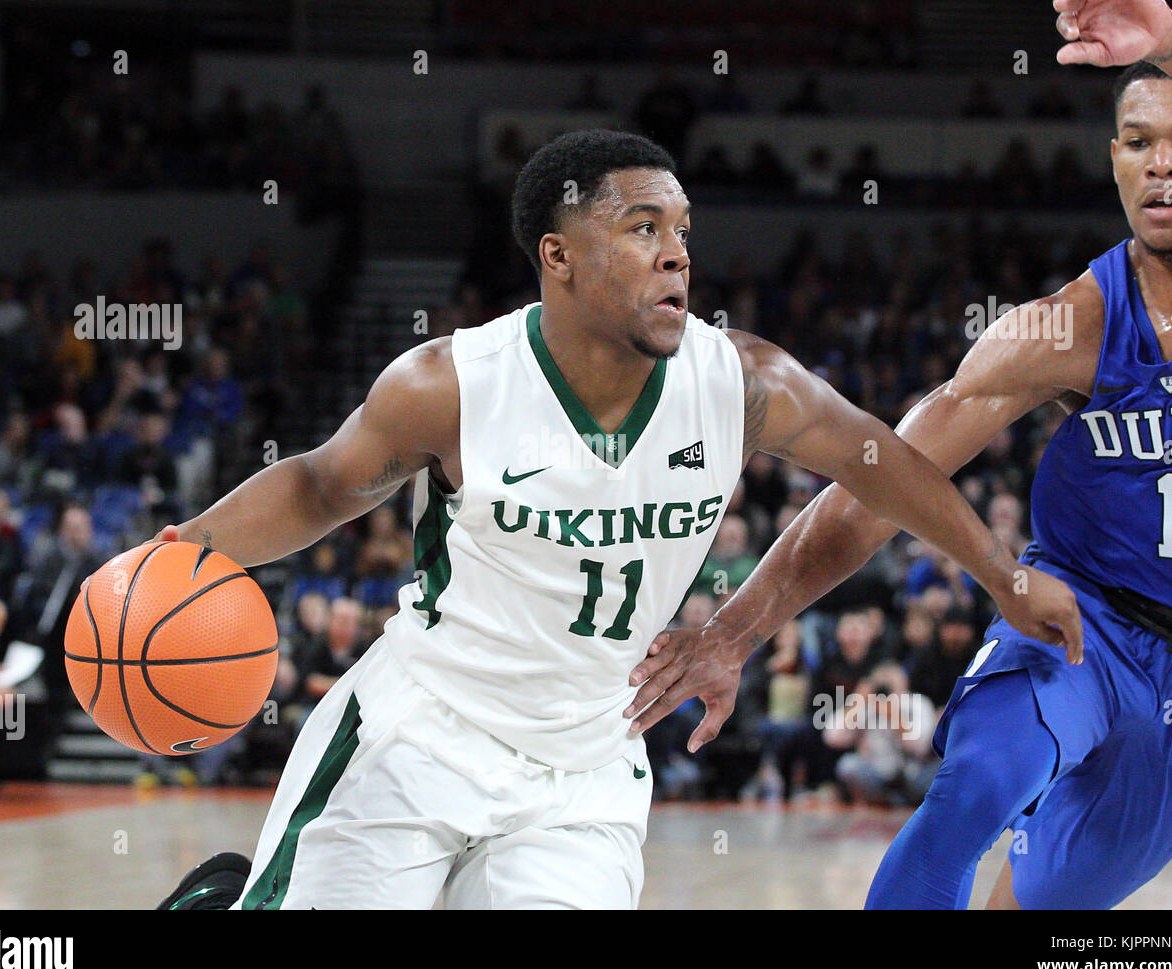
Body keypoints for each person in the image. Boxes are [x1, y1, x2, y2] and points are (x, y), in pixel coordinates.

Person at [154, 128, 1078, 910]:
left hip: (587, 767)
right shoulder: (452, 386)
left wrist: (1003, 576)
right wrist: (185, 552)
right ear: (556, 255)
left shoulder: (742, 382)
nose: (678, 252)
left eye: (681, 230)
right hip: (420, 733)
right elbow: (319, 486)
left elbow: (881, 462)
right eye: (643, 229)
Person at [626, 1, 1172, 909]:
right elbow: (876, 482)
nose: (1162, 165)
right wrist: (730, 635)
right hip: (1080, 622)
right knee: (974, 789)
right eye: (1138, 142)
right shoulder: (1065, 329)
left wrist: (1170, 35)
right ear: (1112, 160)